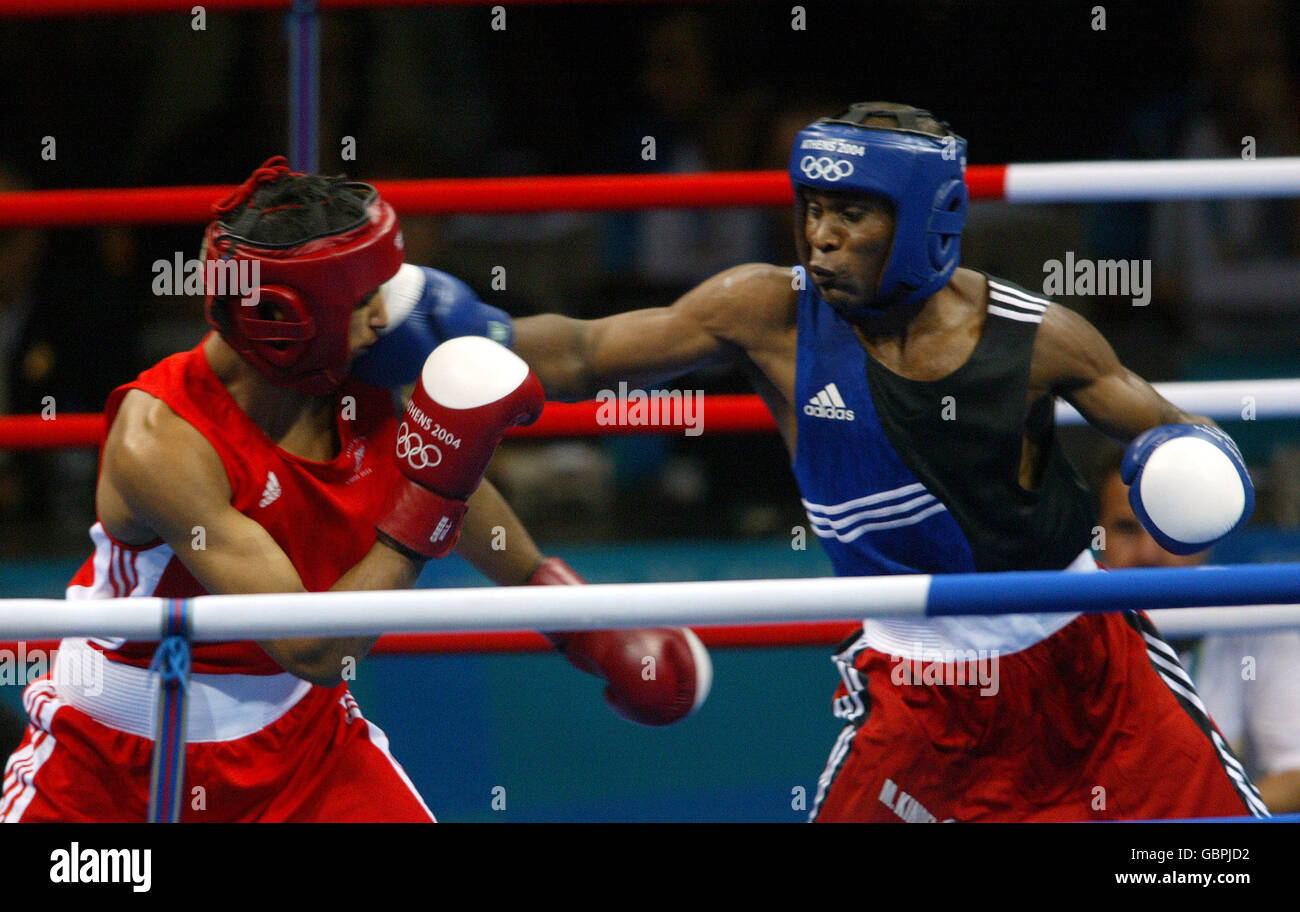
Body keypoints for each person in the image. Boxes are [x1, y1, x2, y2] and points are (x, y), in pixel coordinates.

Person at [460, 102, 1260, 821]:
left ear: (924, 221)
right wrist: (446, 331)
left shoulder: (1034, 338)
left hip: (1089, 679)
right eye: (812, 208)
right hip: (919, 699)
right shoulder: (769, 313)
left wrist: (1195, 470)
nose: (821, 235)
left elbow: (1180, 431)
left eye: (851, 212)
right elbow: (585, 351)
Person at [0, 158, 710, 823]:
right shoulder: (161, 439)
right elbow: (313, 645)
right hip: (113, 763)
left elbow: (435, 465)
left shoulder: (356, 365)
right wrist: (429, 504)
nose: (382, 316)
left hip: (303, 742)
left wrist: (574, 617)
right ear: (284, 318)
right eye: (362, 298)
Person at [1093, 450, 1300, 813]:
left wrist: (1180, 820)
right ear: (1098, 535)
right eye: (1126, 528)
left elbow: (1295, 775)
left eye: (1167, 529)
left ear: (1203, 533)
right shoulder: (1067, 632)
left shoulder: (1258, 621)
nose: (1148, 553)